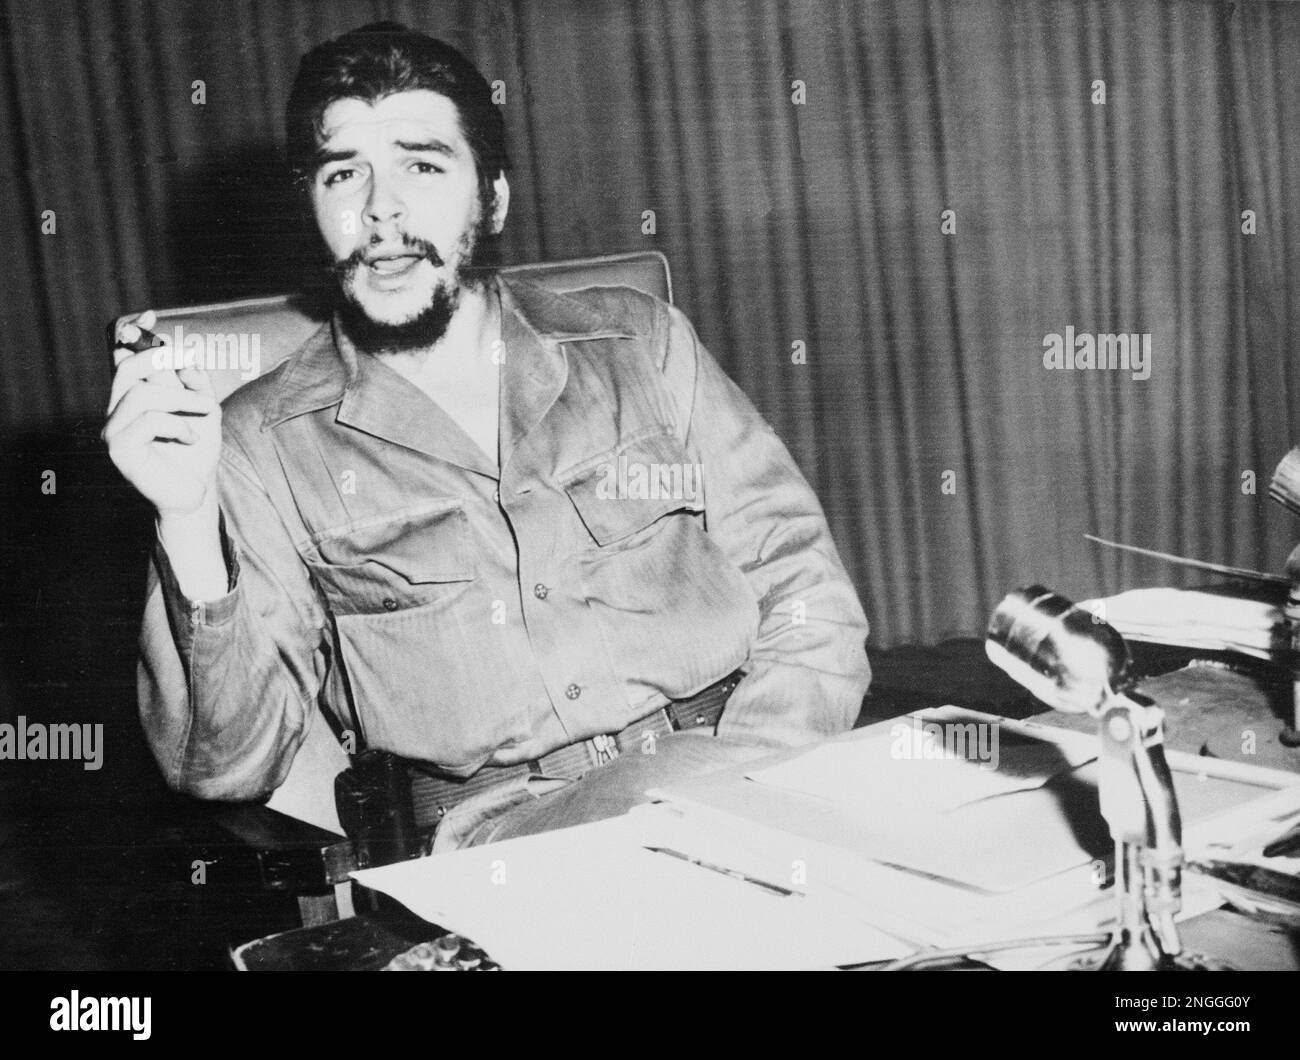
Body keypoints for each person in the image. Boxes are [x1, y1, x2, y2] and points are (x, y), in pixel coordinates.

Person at [104, 21, 870, 850]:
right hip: (516, 846)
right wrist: (184, 520)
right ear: (312, 209)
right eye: (343, 175)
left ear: (493, 198)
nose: (381, 209)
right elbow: (229, 765)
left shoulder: (639, 343)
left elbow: (804, 589)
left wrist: (760, 772)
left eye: (422, 167)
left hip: (736, 770)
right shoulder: (260, 447)